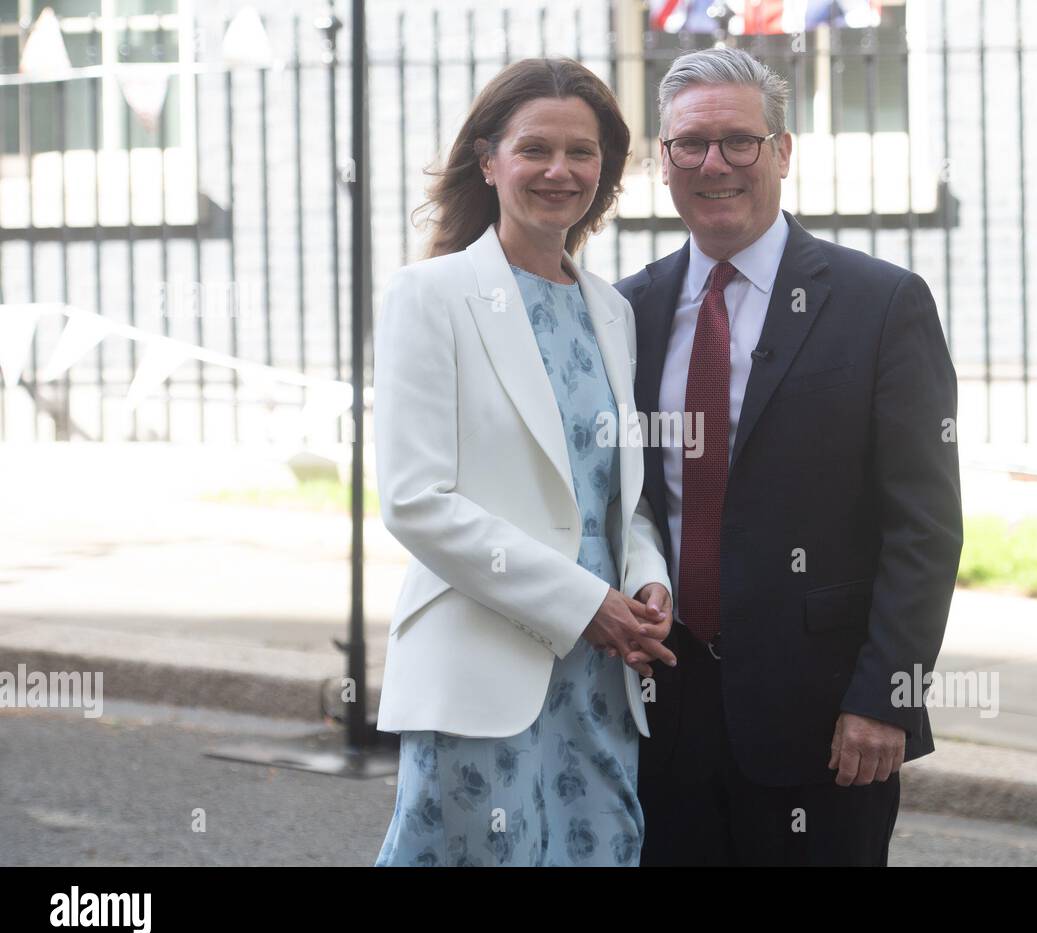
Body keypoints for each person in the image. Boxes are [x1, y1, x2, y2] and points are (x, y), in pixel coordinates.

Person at [615, 47, 963, 866]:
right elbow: (620, 500)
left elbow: (925, 526)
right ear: (663, 161)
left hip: (827, 720)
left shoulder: (881, 305)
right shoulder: (626, 311)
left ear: (783, 150)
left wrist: (886, 698)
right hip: (660, 714)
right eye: (689, 145)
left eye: (739, 141)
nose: (715, 164)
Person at [372, 57, 674, 867]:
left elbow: (618, 492)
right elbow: (414, 500)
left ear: (605, 170)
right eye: (535, 148)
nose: (558, 170)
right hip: (482, 670)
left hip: (601, 678)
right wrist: (584, 602)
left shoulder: (612, 310)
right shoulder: (427, 296)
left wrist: (649, 580)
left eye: (582, 152)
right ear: (488, 160)